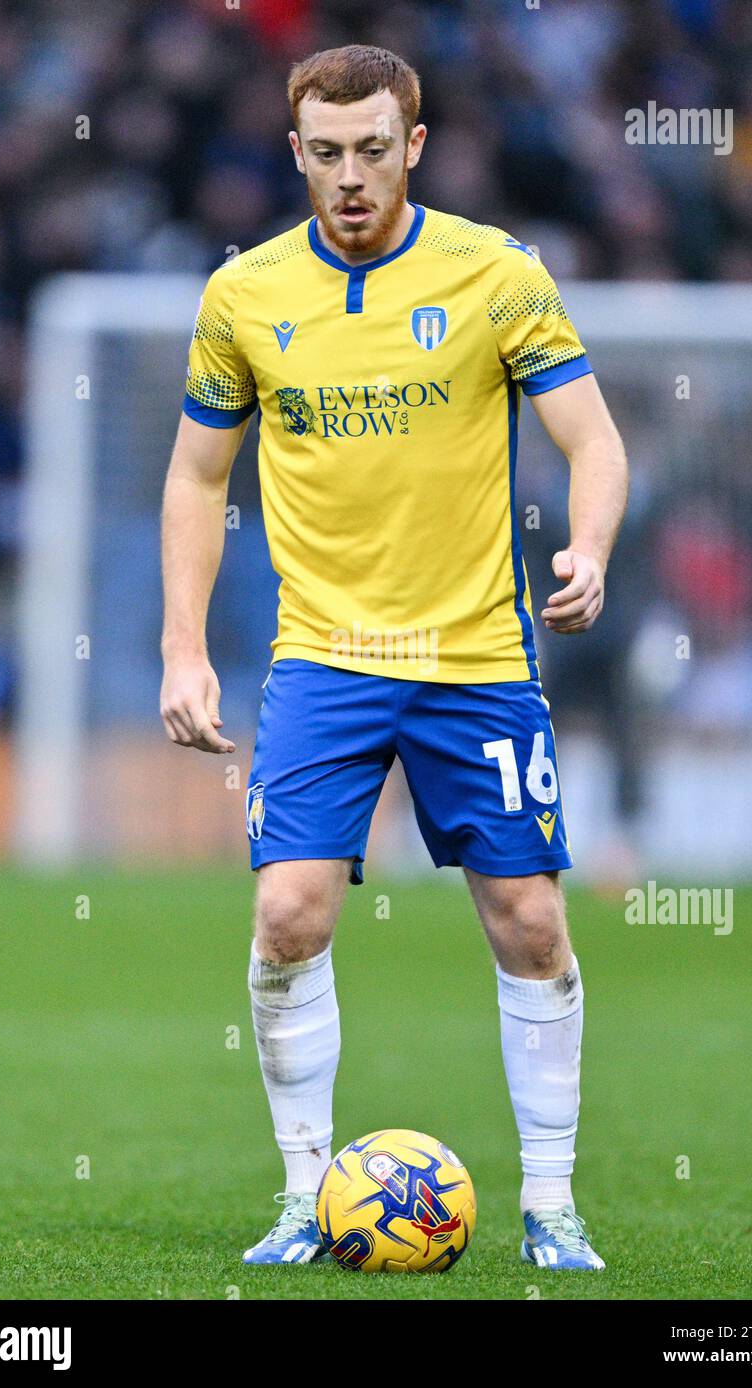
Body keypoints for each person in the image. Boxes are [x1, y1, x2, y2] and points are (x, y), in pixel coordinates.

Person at [160, 44, 628, 1270]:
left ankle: (552, 1201)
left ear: (413, 146)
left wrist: (586, 545)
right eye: (327, 153)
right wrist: (181, 648)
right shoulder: (244, 295)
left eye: (375, 149)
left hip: (475, 653)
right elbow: (197, 474)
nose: (351, 176)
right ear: (295, 152)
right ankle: (305, 1195)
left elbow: (594, 439)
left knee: (530, 922)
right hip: (322, 656)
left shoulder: (495, 272)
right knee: (288, 912)